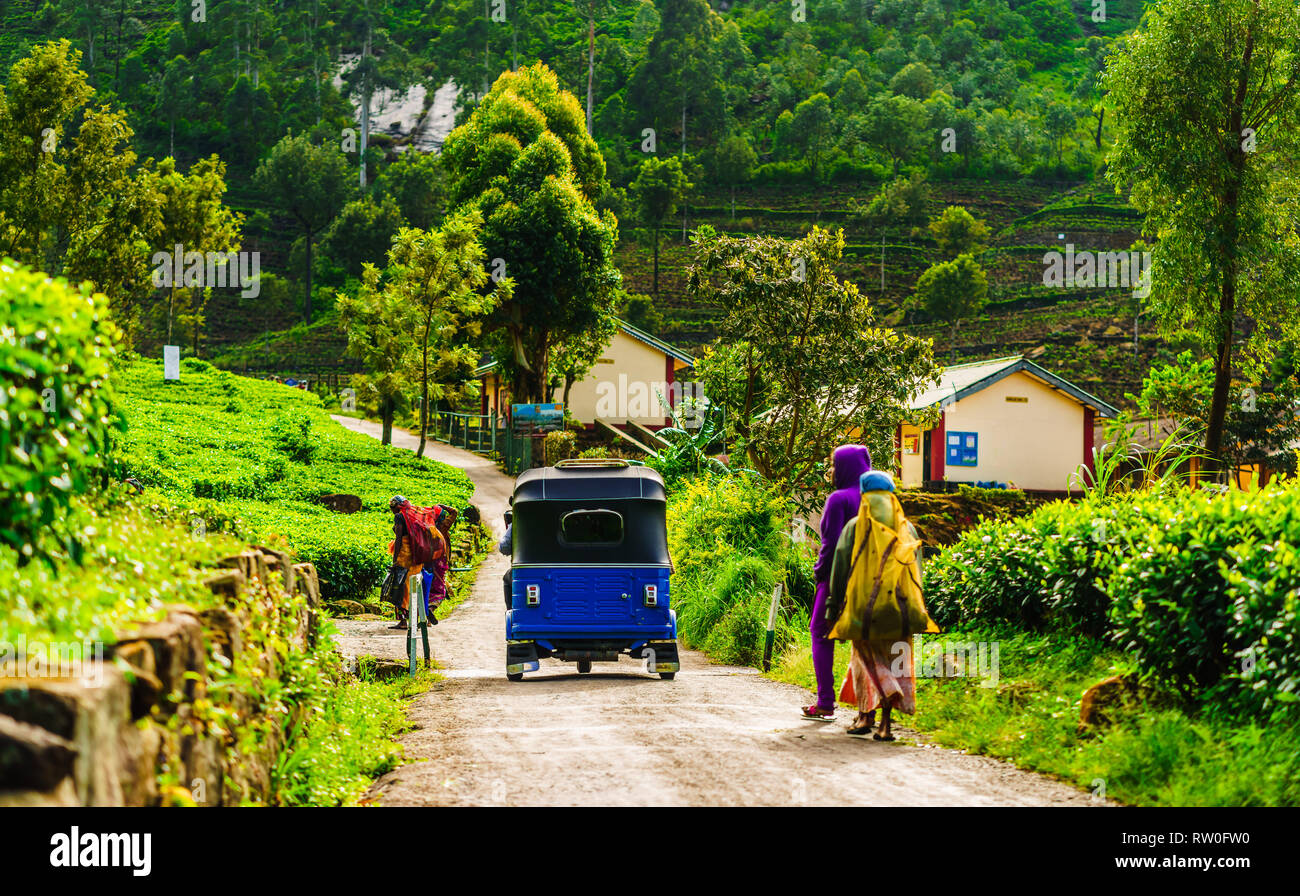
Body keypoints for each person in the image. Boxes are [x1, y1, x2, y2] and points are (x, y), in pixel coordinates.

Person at [825, 470, 929, 740]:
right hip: (902, 612)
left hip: (864, 612)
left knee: (867, 664)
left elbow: (839, 572)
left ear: (864, 496)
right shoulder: (908, 529)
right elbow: (917, 574)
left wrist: (832, 608)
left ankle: (867, 714)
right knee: (896, 663)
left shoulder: (855, 527)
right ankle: (884, 723)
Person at [802, 444, 873, 722]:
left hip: (837, 579)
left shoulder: (839, 499)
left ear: (844, 467)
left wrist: (820, 574)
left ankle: (825, 702)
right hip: (874, 579)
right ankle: (867, 709)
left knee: (820, 632)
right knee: (865, 640)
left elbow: (830, 546)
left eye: (833, 465)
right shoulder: (879, 499)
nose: (830, 471)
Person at [388, 495, 442, 630]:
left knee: (400, 588)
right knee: (415, 587)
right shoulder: (413, 514)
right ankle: (416, 618)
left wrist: (395, 560)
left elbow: (399, 539)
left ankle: (402, 621)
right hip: (417, 556)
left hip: (404, 556)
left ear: (396, 507)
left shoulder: (400, 517)